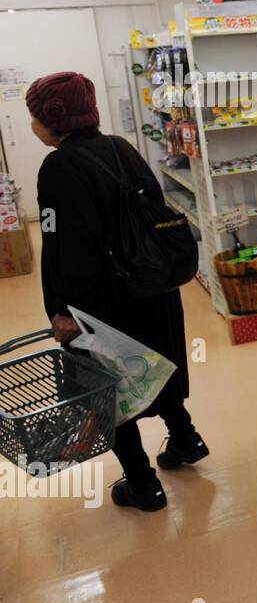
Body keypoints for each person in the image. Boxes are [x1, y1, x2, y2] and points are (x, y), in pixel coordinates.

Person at [27, 71, 209, 511]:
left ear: (52, 119)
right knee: (156, 366)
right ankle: (185, 440)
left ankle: (143, 484)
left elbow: (66, 248)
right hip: (151, 284)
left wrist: (67, 312)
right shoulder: (120, 148)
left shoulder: (59, 166)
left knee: (107, 385)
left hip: (101, 300)